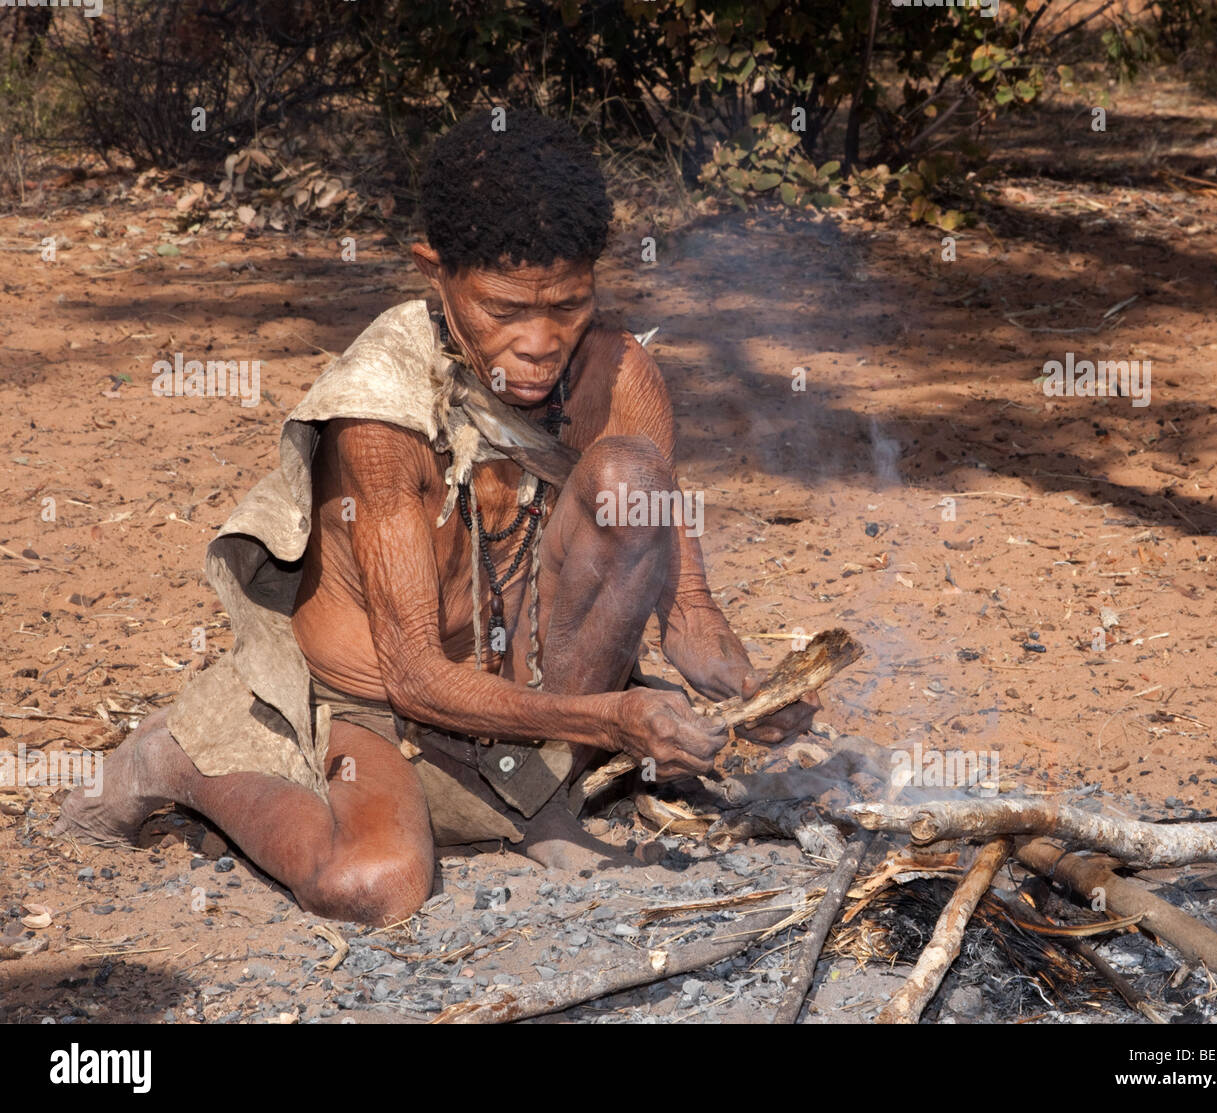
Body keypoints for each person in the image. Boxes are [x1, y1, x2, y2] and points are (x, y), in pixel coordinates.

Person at [57, 110, 816, 925]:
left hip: (533, 695)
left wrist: (752, 690)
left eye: (568, 304)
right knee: (373, 884)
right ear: (433, 271)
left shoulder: (624, 373)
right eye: (502, 308)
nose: (540, 342)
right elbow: (415, 676)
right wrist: (613, 717)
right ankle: (185, 760)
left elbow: (691, 615)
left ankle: (542, 791)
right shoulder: (381, 417)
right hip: (392, 711)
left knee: (631, 472)